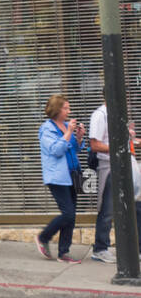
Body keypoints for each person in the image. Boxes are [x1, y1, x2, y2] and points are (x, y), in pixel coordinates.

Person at [88, 103, 141, 263]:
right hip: (110, 166)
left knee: (137, 205)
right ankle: (100, 248)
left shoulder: (120, 115)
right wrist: (119, 148)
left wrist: (132, 140)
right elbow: (95, 144)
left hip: (128, 164)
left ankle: (136, 248)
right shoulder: (100, 115)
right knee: (107, 209)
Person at [38, 94, 84, 263]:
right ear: (57, 109)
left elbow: (74, 149)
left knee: (71, 215)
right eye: (66, 108)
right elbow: (56, 150)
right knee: (68, 214)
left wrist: (78, 137)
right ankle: (43, 236)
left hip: (73, 175)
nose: (69, 111)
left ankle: (64, 252)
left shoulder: (65, 126)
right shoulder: (46, 129)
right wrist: (70, 132)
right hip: (57, 177)